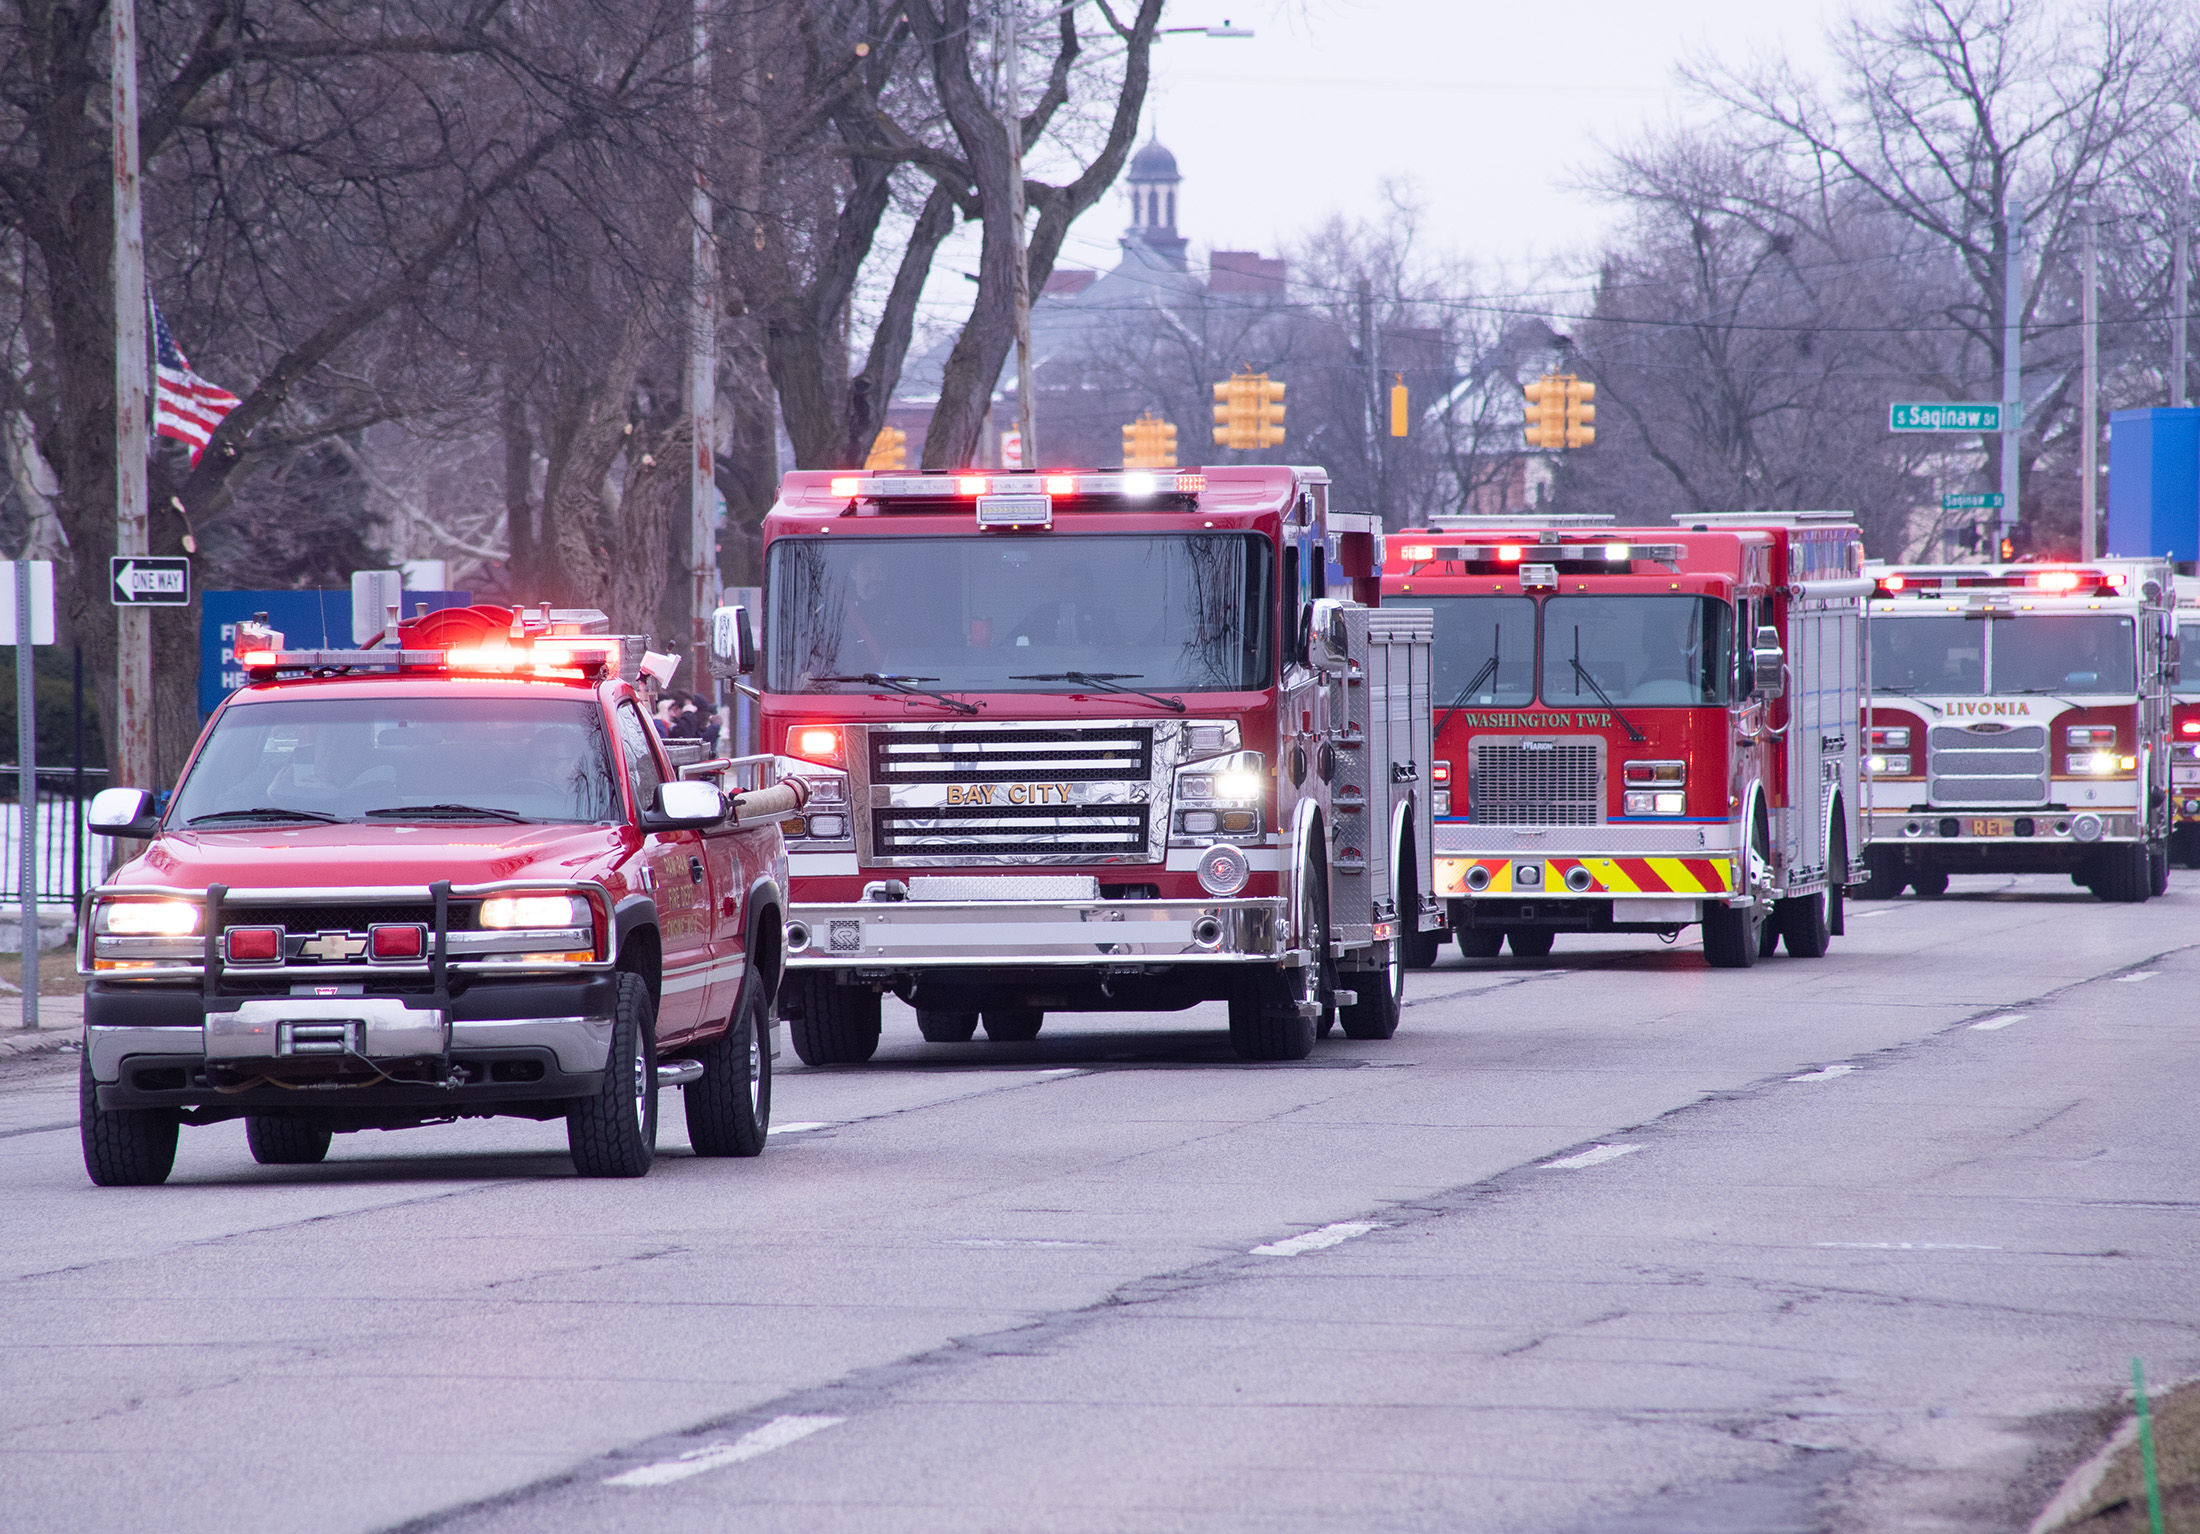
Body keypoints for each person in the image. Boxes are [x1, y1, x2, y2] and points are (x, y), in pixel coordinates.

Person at [1009, 564, 1120, 648]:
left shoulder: (1103, 618)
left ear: (1089, 590)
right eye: (1065, 589)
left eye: (1077, 589)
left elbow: (1116, 652)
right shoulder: (1043, 615)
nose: (1070, 595)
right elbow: (1010, 644)